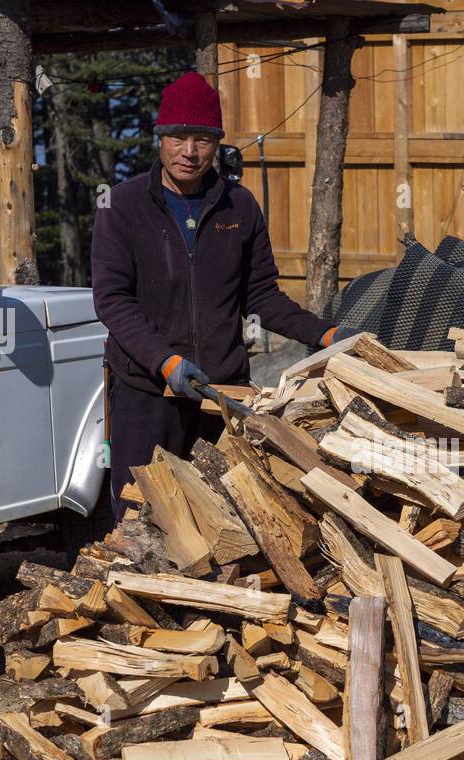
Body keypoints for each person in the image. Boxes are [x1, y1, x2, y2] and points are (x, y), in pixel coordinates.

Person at [91, 71, 346, 518]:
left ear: (217, 144)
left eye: (203, 140)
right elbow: (112, 300)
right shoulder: (121, 205)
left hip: (222, 394)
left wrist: (328, 336)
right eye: (178, 137)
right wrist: (165, 361)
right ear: (160, 138)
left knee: (229, 519)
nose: (189, 152)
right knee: (142, 518)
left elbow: (262, 296)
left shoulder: (239, 206)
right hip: (147, 393)